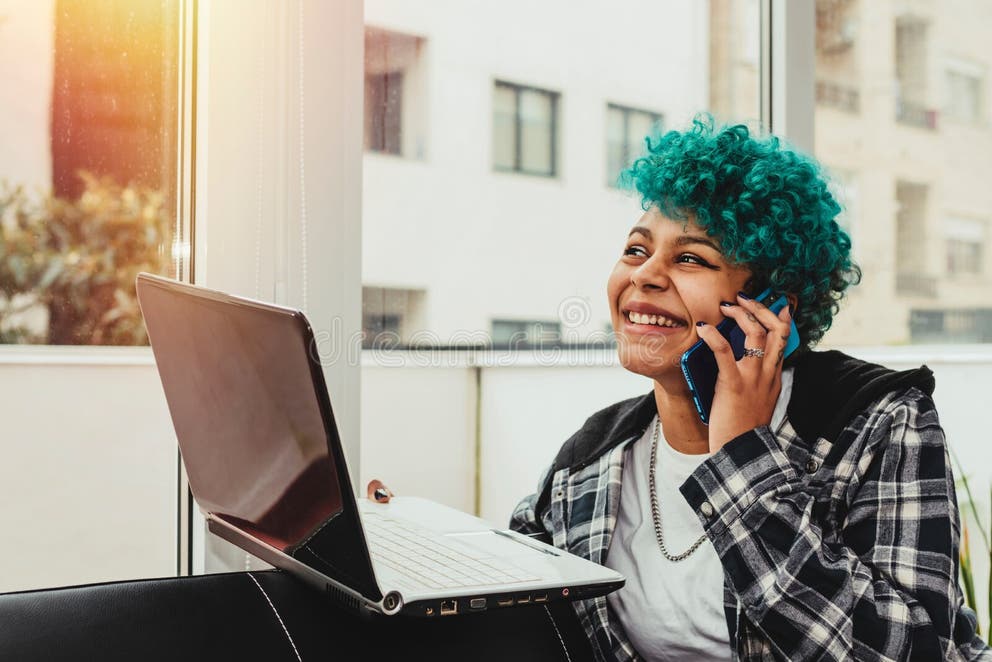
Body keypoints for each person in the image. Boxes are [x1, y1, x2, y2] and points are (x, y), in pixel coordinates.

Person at [371, 116, 991, 661]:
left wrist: (743, 460)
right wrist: (401, 538)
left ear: (772, 307)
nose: (644, 274)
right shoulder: (592, 459)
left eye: (690, 259)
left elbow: (908, 652)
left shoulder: (879, 422)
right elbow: (515, 601)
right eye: (636, 250)